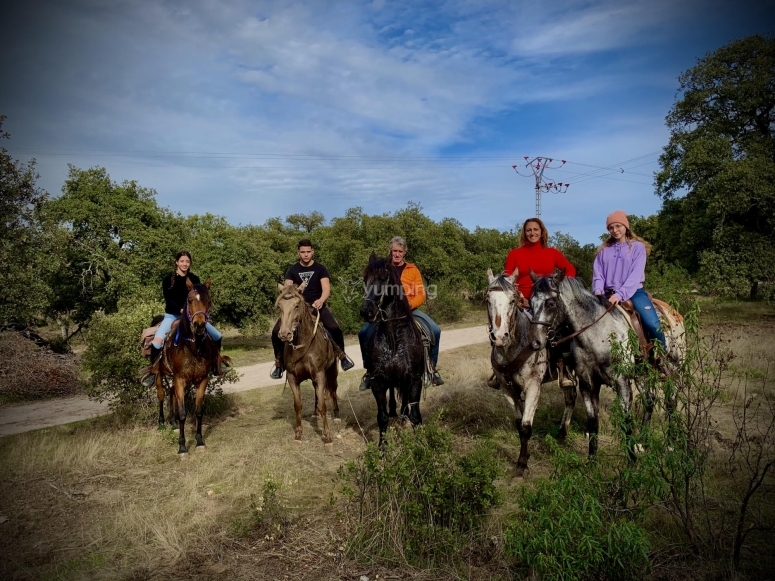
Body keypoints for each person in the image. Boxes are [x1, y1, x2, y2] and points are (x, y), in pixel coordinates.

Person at [492, 217, 577, 389]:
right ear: (524, 233)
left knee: (563, 329)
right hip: (521, 300)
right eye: (529, 230)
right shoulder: (515, 253)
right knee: (501, 326)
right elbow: (508, 278)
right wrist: (519, 296)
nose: (532, 233)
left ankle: (563, 369)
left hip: (545, 301)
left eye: (535, 229)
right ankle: (498, 370)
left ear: (542, 231)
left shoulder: (552, 253)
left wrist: (560, 286)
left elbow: (570, 269)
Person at [358, 236, 443, 391]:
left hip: (410, 310)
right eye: (394, 251)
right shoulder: (382, 268)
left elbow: (421, 294)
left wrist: (409, 304)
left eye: (400, 251)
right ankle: (369, 371)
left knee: (435, 330)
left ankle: (431, 368)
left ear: (404, 252)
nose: (397, 254)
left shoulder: (412, 270)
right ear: (390, 251)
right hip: (384, 312)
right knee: (363, 332)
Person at [141, 251, 231, 388]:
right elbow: (169, 301)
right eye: (182, 261)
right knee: (158, 341)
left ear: (190, 263)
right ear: (177, 262)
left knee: (217, 335)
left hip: (193, 317)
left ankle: (216, 364)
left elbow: (200, 299)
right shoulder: (168, 280)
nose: (185, 264)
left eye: (187, 261)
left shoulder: (195, 278)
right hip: (172, 316)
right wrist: (181, 310)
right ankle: (154, 371)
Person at [270, 239, 354, 379]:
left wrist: (321, 300)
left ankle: (342, 356)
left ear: (312, 252)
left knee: (334, 328)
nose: (306, 254)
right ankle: (279, 364)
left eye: (308, 252)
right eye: (303, 252)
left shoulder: (320, 269)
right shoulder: (292, 270)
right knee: (275, 332)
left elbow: (326, 289)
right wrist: (289, 293)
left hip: (317, 306)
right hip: (296, 308)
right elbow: (287, 289)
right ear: (298, 253)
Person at [592, 210, 666, 352]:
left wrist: (620, 295)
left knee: (652, 323)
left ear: (625, 226)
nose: (615, 230)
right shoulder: (603, 251)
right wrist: (598, 291)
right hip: (607, 294)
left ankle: (663, 357)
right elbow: (598, 275)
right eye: (611, 228)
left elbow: (635, 275)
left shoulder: (638, 248)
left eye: (618, 226)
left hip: (634, 292)